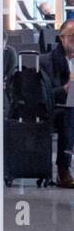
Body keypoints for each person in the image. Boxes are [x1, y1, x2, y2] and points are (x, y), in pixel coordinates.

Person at [40, 21, 74, 188]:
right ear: (62, 38)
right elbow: (45, 95)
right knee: (70, 113)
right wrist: (65, 89)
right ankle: (63, 170)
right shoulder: (48, 61)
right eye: (72, 37)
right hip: (57, 108)